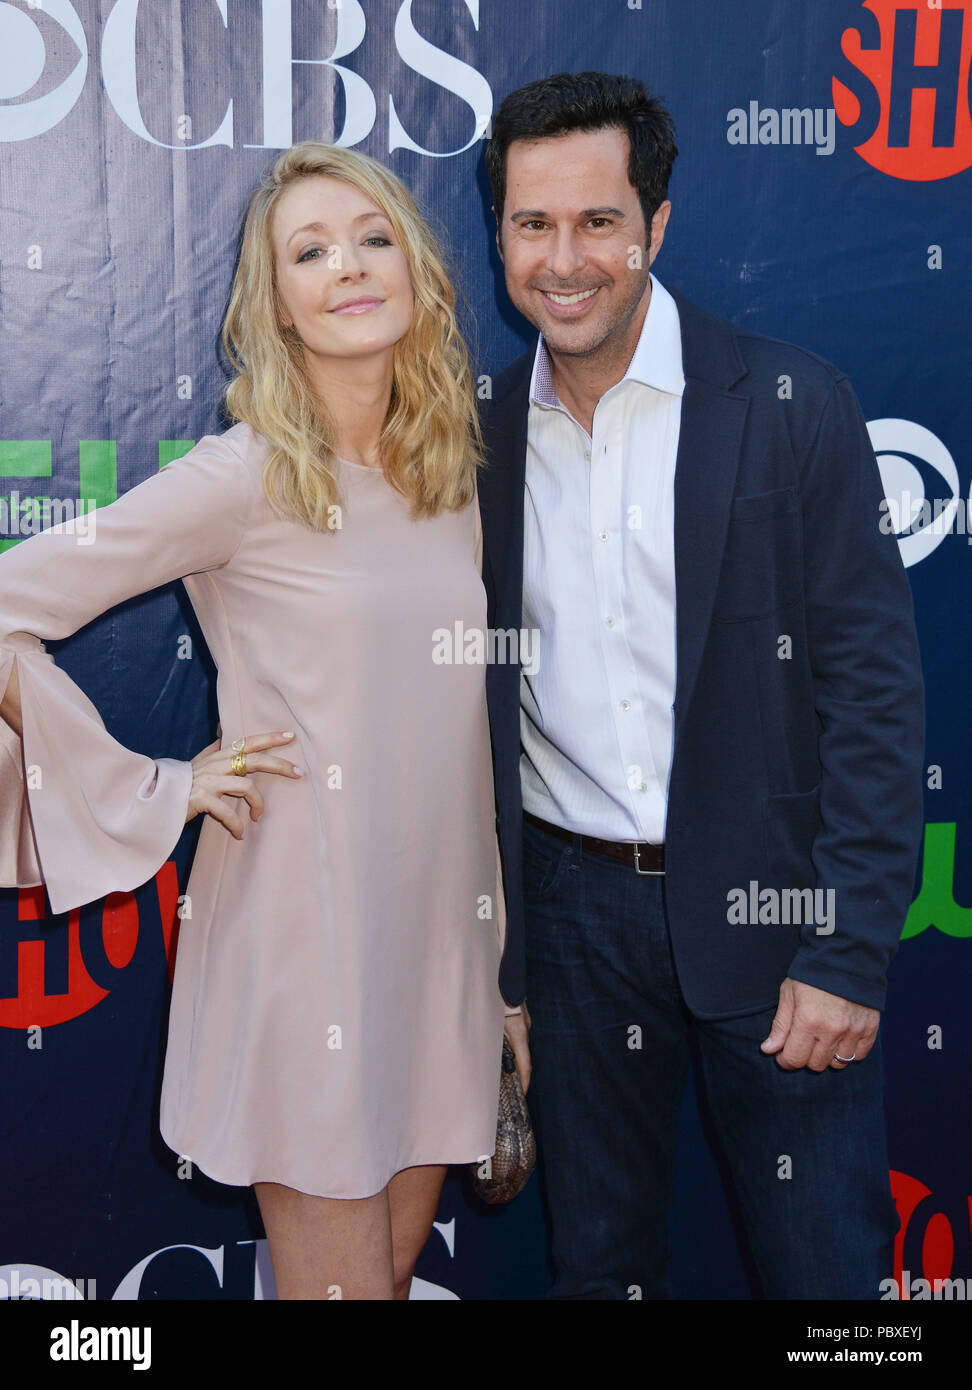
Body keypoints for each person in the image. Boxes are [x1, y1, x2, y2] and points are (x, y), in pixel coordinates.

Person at [0, 140, 526, 1301]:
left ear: (418, 270)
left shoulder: (448, 476)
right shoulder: (242, 478)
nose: (350, 266)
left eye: (374, 238)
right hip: (308, 947)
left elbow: (467, 743)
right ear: (276, 303)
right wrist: (155, 788)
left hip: (440, 947)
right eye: (311, 250)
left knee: (386, 1283)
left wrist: (502, 977)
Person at [477, 72, 925, 1299]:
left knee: (828, 1279)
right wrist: (498, 963)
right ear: (500, 233)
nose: (564, 259)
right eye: (532, 223)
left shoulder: (788, 402)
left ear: (657, 225)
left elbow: (875, 696)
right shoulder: (471, 435)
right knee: (599, 1267)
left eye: (599, 221)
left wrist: (848, 949)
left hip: (778, 908)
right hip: (569, 921)